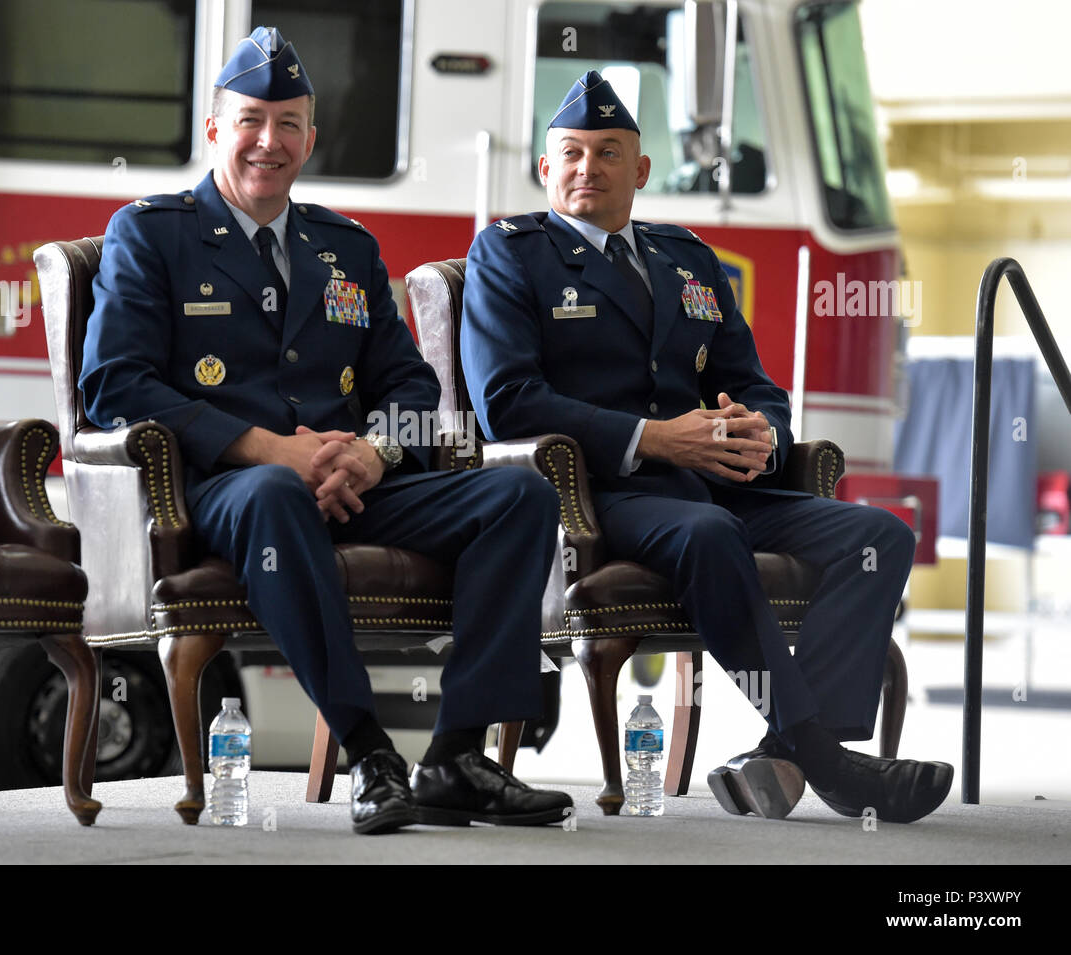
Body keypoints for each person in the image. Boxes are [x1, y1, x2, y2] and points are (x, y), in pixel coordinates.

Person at [80, 27, 571, 834]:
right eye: (250, 121)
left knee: (520, 496)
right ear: (215, 129)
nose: (268, 142)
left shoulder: (346, 248)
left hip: (350, 485)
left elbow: (413, 386)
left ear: (311, 139)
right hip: (227, 491)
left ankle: (455, 756)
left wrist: (374, 455)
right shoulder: (152, 233)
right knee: (276, 491)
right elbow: (114, 385)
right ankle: (369, 749)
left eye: (288, 125)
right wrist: (270, 449)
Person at [460, 71, 952, 823]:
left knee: (879, 535)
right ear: (545, 168)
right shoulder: (510, 254)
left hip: (715, 485)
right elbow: (507, 401)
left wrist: (761, 435)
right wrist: (658, 438)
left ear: (640, 170)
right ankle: (827, 760)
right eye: (572, 153)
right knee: (709, 531)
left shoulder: (687, 258)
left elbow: (752, 383)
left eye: (608, 152)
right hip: (600, 496)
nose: (588, 167)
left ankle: (787, 751)